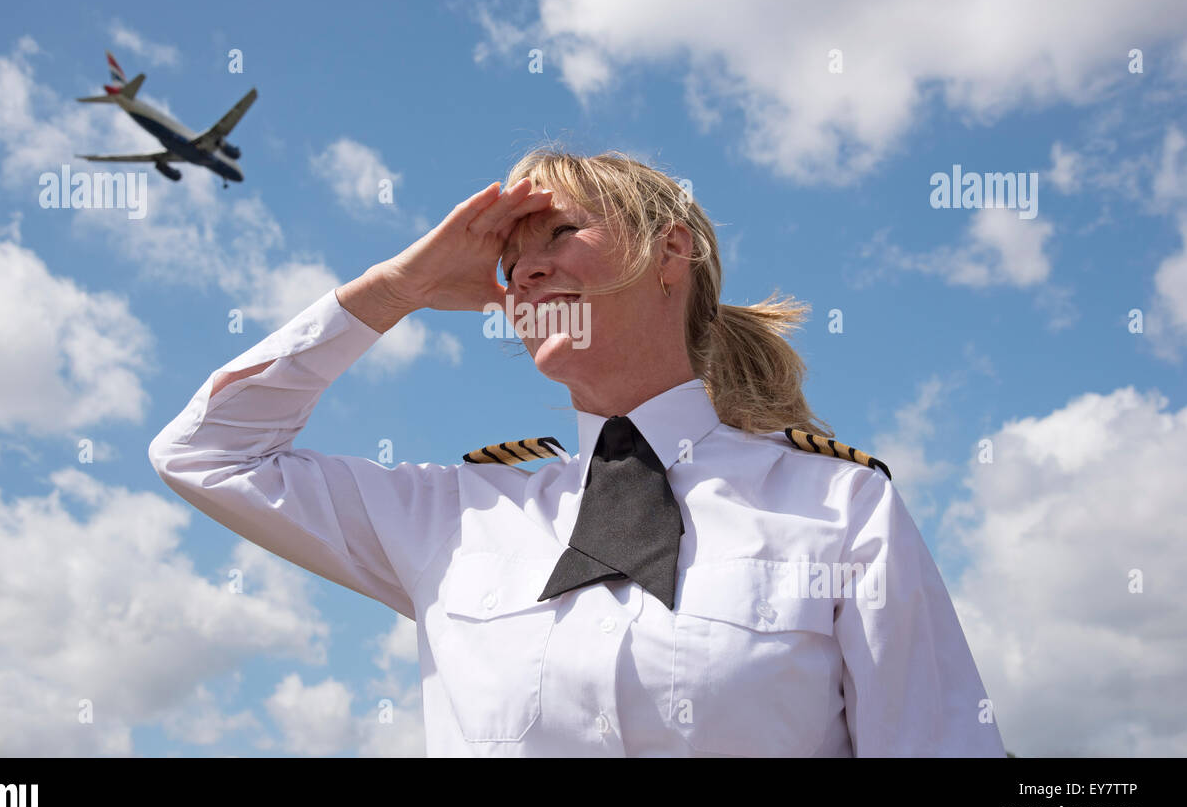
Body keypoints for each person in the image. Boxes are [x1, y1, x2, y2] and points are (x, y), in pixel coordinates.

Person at [148, 149, 1007, 757]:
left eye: (559, 234)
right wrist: (396, 289)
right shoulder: (455, 515)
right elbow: (207, 454)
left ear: (670, 249)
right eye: (509, 261)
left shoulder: (838, 506)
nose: (525, 273)